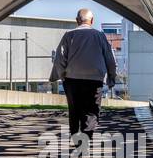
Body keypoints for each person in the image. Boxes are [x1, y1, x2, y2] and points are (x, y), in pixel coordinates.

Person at [48, 8, 117, 138]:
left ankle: (75, 136)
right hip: (95, 80)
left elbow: (60, 57)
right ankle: (86, 136)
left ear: (77, 20)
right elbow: (110, 59)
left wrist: (62, 75)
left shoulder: (69, 35)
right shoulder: (100, 36)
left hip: (72, 79)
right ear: (92, 20)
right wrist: (111, 78)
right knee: (92, 111)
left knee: (74, 110)